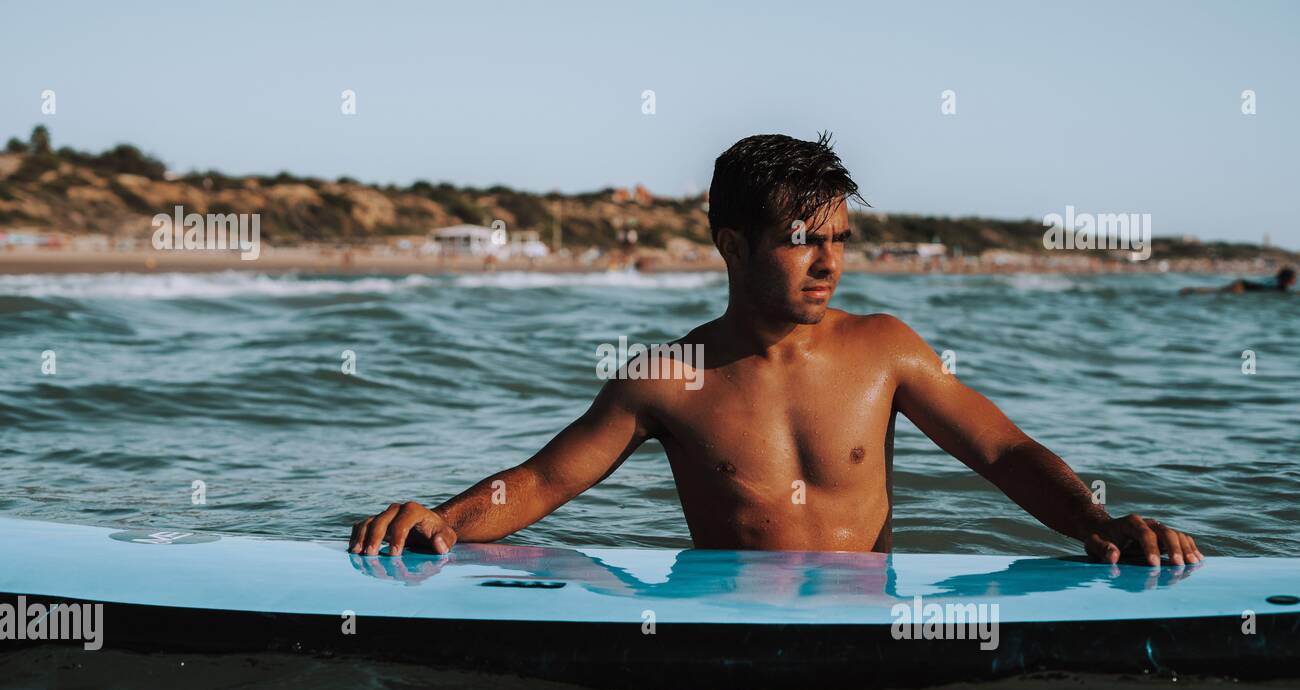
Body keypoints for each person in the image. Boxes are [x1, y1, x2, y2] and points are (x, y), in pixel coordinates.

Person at [351, 133, 1201, 567]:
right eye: (803, 240)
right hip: (732, 636)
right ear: (733, 244)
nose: (830, 261)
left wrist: (1098, 522)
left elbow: (1004, 450)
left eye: (839, 238)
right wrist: (443, 520)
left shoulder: (885, 350)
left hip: (869, 638)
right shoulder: (666, 380)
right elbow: (541, 481)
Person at [1180, 266, 1296, 294]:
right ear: (1287, 279)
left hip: (1242, 284)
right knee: (1216, 291)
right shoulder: (1280, 287)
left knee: (1217, 290)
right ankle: (1191, 290)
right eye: (1293, 278)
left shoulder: (1275, 282)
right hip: (1241, 286)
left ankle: (1191, 290)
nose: (1295, 281)